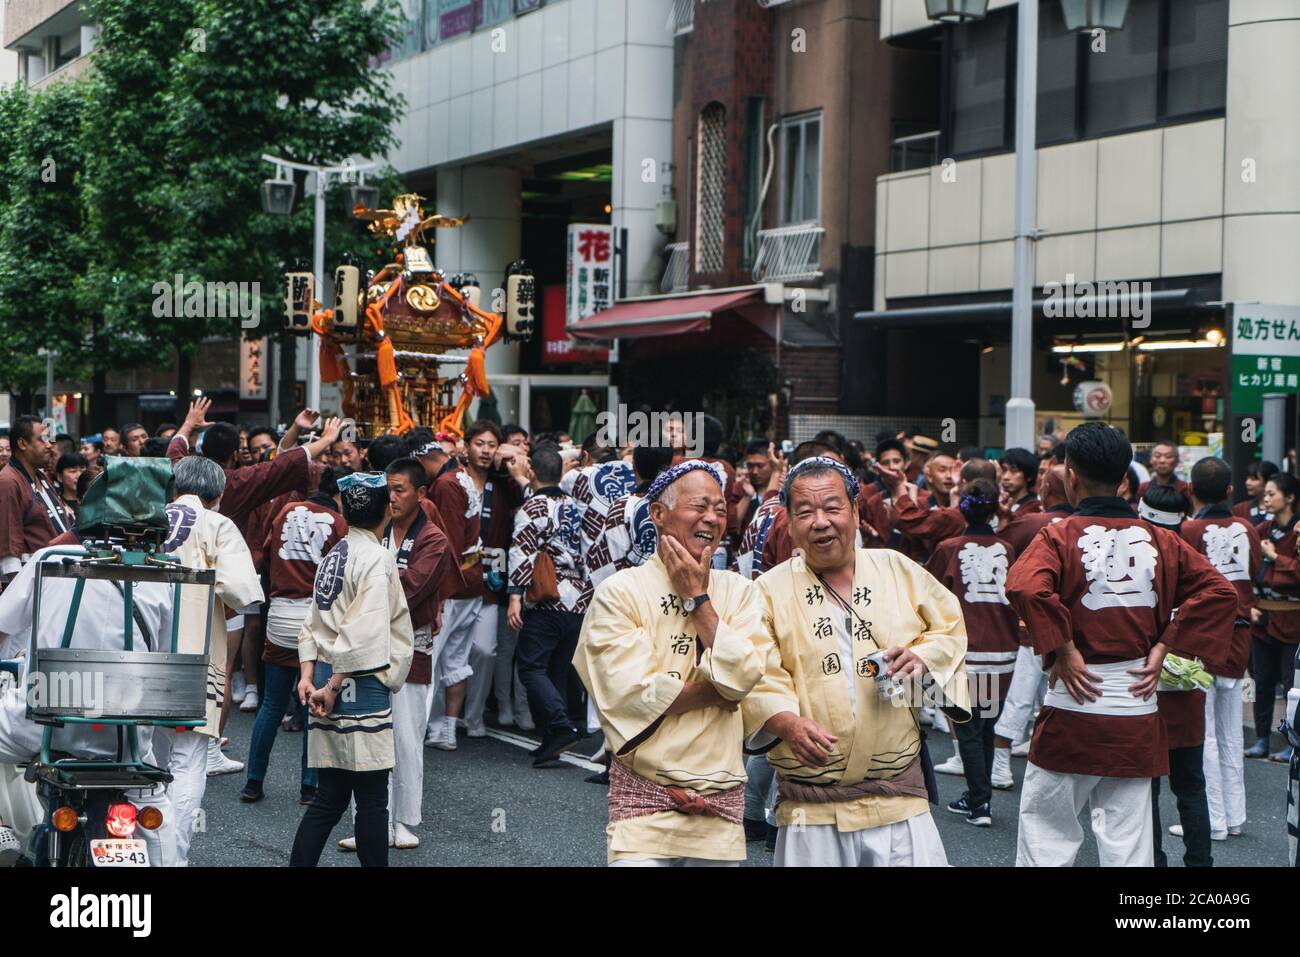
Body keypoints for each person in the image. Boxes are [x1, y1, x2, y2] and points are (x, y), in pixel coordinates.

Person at [1006, 423, 1237, 866]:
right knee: (1128, 845)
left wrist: (1064, 646)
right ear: (1126, 479)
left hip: (1073, 703)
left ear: (1070, 476)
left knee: (1046, 836)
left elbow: (1026, 587)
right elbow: (1220, 593)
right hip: (1136, 706)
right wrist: (1167, 644)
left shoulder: (1058, 536)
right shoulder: (1164, 540)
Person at [740, 456, 970, 866]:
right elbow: (755, 670)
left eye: (832, 508)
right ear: (788, 523)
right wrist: (784, 722)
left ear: (856, 512)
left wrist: (922, 657)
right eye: (805, 512)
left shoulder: (897, 568)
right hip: (812, 809)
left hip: (899, 804)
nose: (821, 522)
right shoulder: (766, 592)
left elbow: (949, 626)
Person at [574, 461, 771, 866]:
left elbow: (750, 675)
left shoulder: (741, 592)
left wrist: (698, 599)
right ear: (658, 514)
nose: (712, 518)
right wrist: (720, 690)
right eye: (699, 506)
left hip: (720, 807)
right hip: (644, 802)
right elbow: (629, 692)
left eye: (720, 508)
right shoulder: (620, 592)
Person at [289, 472, 414, 868]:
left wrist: (309, 677)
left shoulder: (335, 553)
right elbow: (365, 633)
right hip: (357, 684)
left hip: (327, 677)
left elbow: (312, 622)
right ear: (387, 509)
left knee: (330, 798)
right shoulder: (377, 557)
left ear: (343, 509)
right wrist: (333, 685)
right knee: (374, 801)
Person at [336, 458, 452, 851]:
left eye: (400, 490)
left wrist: (371, 580)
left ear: (421, 495)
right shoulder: (372, 531)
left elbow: (413, 589)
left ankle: (404, 820)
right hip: (367, 642)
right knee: (364, 735)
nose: (392, 497)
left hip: (408, 645)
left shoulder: (433, 538)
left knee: (405, 736)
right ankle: (368, 822)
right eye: (388, 490)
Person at [156, 455, 264, 866]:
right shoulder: (217, 524)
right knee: (187, 760)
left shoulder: (149, 517)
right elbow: (243, 592)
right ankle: (173, 858)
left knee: (147, 759)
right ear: (217, 495)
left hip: (140, 654)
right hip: (193, 655)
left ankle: (141, 850)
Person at [242, 468, 349, 807]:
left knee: (271, 704)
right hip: (315, 617)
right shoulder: (337, 522)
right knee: (313, 705)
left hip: (279, 613)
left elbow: (266, 553)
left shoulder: (286, 511)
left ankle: (253, 782)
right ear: (338, 497)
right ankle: (308, 787)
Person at [926, 477, 1020, 826]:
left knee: (967, 727)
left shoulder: (949, 548)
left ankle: (980, 802)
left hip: (966, 651)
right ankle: (978, 797)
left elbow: (929, 594)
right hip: (1003, 651)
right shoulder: (1008, 549)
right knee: (984, 726)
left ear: (962, 508)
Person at [1136, 483, 1214, 868]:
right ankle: (1200, 863)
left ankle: (1153, 861)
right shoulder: (1193, 560)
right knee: (1190, 784)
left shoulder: (1135, 559)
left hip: (1144, 687)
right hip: (1187, 686)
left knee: (1145, 788)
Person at [1182, 457, 1259, 838]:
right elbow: (1255, 573)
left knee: (1205, 732)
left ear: (1191, 490)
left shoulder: (1188, 530)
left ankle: (1214, 820)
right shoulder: (1247, 528)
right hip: (1241, 635)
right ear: (1230, 490)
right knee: (1230, 731)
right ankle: (1235, 816)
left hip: (1203, 639)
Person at [507, 445, 592, 765]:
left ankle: (560, 725)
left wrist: (515, 595)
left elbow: (522, 549)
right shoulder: (577, 506)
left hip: (547, 597)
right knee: (556, 668)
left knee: (530, 666)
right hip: (579, 599)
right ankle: (554, 737)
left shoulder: (533, 506)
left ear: (532, 473)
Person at [1248, 472, 1300, 762]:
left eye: (1272, 493)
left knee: (1292, 685)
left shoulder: (1298, 530)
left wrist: (1276, 558)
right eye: (1264, 494)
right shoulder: (1262, 530)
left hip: (1293, 617)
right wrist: (1250, 604)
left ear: (1290, 497)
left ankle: (1292, 741)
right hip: (1262, 617)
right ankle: (1261, 738)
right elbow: (1246, 569)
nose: (1266, 499)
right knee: (1261, 682)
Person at [0, 416, 73, 585]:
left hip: (58, 577)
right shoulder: (8, 481)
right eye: (43, 440)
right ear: (22, 444)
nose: (49, 445)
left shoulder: (41, 476)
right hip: (34, 582)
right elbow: (8, 546)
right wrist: (17, 592)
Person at [1000, 447, 1041, 517]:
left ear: (1029, 476)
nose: (1005, 477)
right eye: (1004, 470)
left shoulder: (1034, 506)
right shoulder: (1001, 502)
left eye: (1014, 471)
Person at [1235, 461, 1278, 525]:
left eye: (1253, 479)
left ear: (1268, 481)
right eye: (1247, 478)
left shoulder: (1281, 508)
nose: (1247, 483)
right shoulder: (1240, 509)